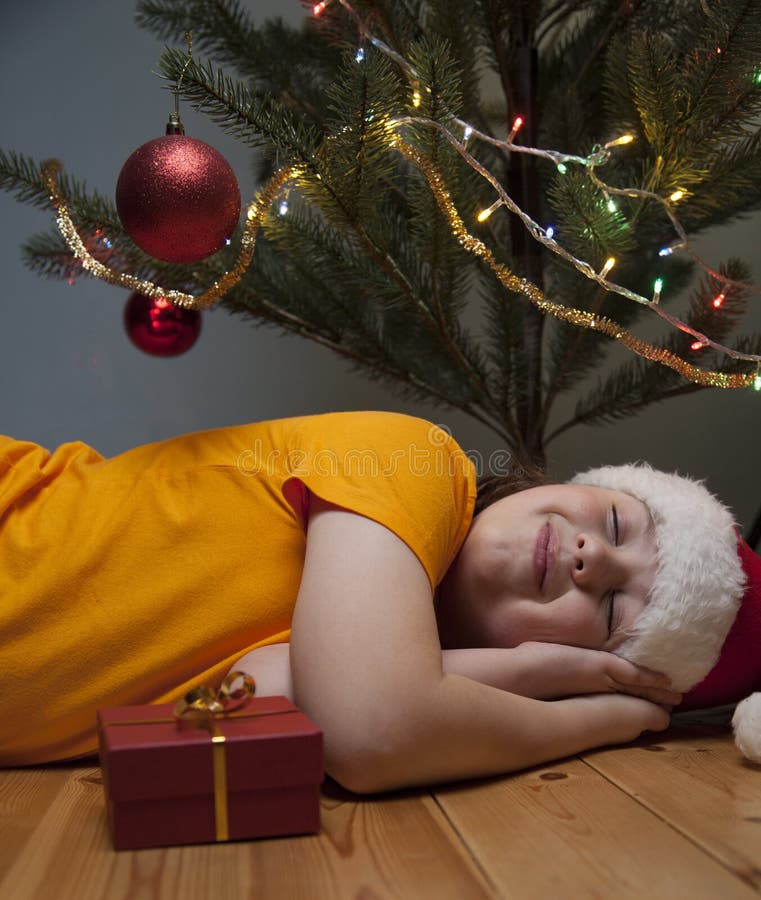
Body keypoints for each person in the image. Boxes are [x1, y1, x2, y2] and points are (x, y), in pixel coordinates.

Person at [0, 411, 756, 791]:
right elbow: (377, 731)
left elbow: (289, 699)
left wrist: (514, 676)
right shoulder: (418, 459)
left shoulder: (346, 653)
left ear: (582, 660)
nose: (594, 558)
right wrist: (609, 715)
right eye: (617, 520)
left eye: (612, 611)